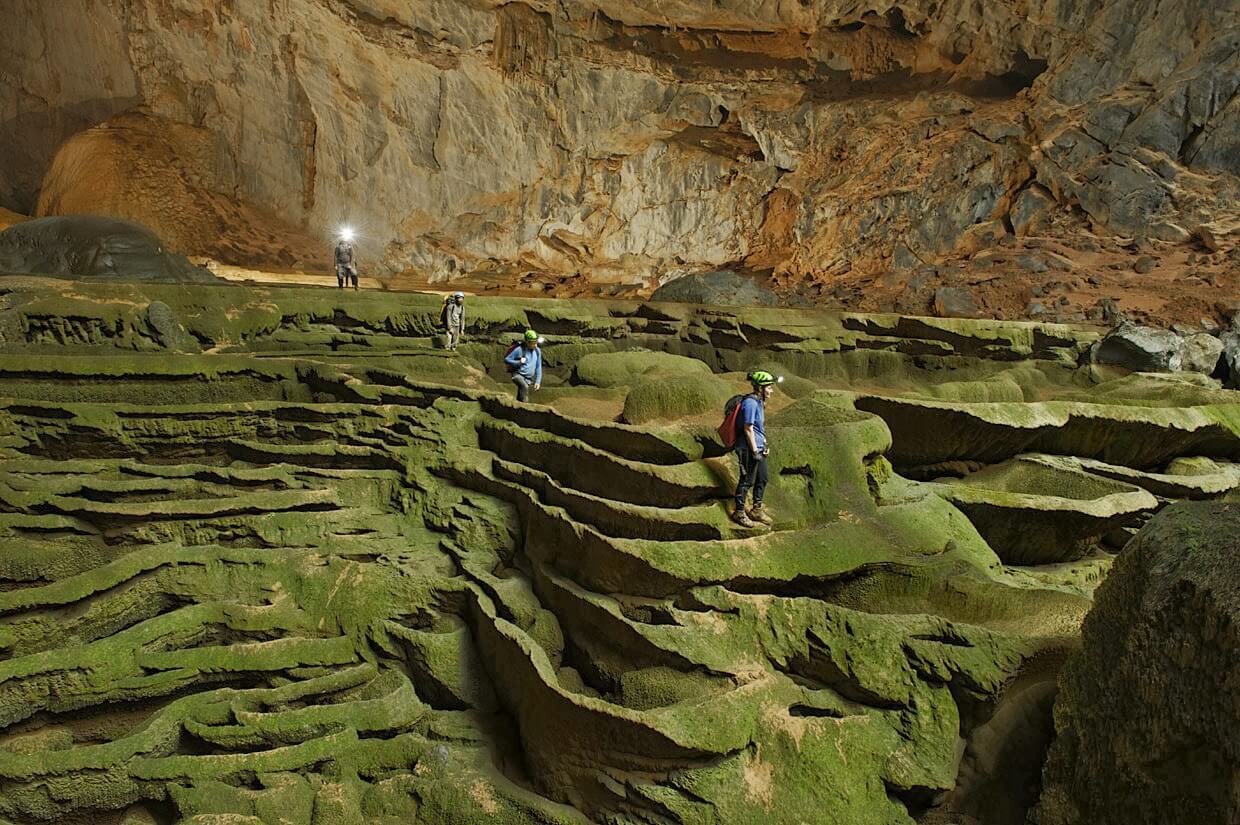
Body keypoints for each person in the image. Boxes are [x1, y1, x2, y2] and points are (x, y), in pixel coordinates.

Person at [731, 370, 779, 528]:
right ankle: (739, 512)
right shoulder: (750, 403)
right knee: (746, 481)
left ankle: (756, 510)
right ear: (760, 388)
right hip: (748, 448)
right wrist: (754, 451)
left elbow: (759, 428)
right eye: (769, 387)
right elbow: (748, 428)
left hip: (758, 447)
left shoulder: (759, 402)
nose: (771, 391)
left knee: (762, 478)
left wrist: (763, 445)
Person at [505, 329, 543, 403]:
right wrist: (518, 362)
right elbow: (507, 359)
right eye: (533, 343)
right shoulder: (519, 350)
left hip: (528, 379)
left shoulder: (537, 351)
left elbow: (538, 367)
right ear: (527, 342)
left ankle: (517, 407)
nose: (535, 345)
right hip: (517, 375)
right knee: (524, 387)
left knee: (521, 393)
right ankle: (526, 407)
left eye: (536, 342)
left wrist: (538, 381)